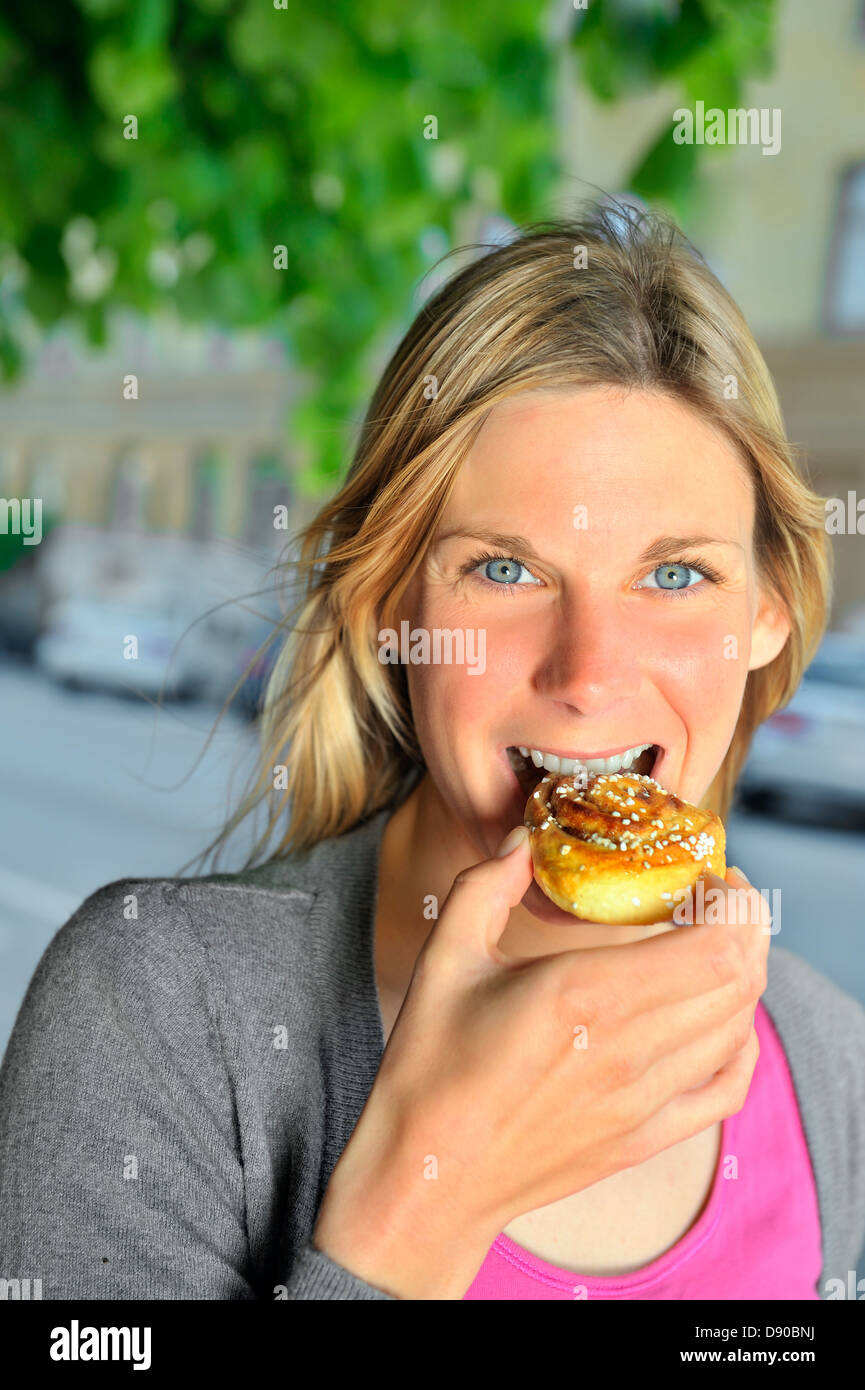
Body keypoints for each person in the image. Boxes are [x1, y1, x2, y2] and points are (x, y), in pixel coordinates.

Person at [1, 203, 863, 1301]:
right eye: (505, 569)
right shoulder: (154, 1021)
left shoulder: (834, 1066)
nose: (588, 674)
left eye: (676, 573)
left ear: (770, 613)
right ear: (383, 602)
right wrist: (428, 1197)